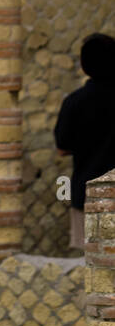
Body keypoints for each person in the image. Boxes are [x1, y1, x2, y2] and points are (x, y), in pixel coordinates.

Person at [55, 32, 115, 250]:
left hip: (88, 196)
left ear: (83, 65)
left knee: (91, 265)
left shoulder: (74, 102)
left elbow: (62, 148)